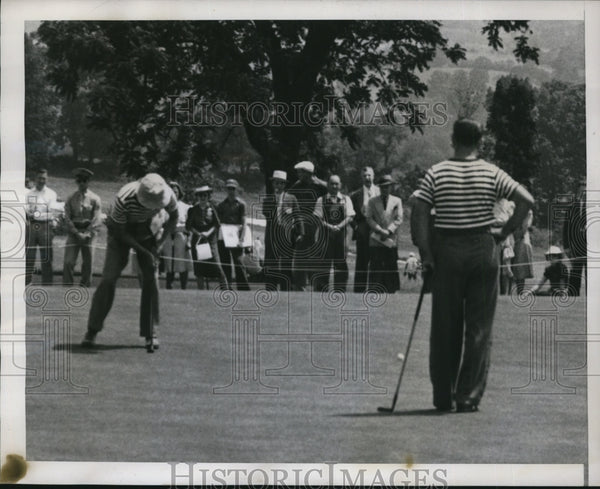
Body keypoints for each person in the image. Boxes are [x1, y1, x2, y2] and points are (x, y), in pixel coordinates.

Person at [412, 119, 534, 413]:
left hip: (448, 249)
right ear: (481, 142)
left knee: (445, 327)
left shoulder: (437, 172)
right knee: (479, 328)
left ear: (453, 139)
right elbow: (526, 199)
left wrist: (426, 254)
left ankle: (443, 395)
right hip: (483, 249)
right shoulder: (491, 172)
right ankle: (467, 397)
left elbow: (419, 210)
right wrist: (504, 232)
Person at [82, 173, 178, 353]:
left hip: (148, 230)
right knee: (108, 279)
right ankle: (92, 330)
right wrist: (143, 251)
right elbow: (120, 233)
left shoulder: (168, 194)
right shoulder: (123, 198)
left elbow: (174, 217)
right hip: (121, 233)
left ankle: (151, 332)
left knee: (151, 278)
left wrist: (159, 244)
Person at [287, 160, 327, 290]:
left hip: (318, 225)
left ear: (308, 173)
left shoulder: (322, 186)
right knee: (300, 257)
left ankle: (318, 286)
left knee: (317, 258)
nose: (298, 175)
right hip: (302, 226)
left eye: (300, 172)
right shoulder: (297, 186)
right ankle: (300, 286)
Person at [262, 170, 304, 291]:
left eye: (281, 183)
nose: (278, 186)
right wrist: (276, 201)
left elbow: (298, 215)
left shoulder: (291, 198)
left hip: (286, 235)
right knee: (271, 263)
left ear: (284, 185)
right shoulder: (268, 200)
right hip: (271, 236)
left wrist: (301, 232)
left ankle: (286, 289)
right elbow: (267, 214)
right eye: (276, 183)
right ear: (273, 184)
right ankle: (270, 289)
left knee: (286, 263)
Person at [313, 175, 355, 292]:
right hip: (325, 236)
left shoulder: (346, 199)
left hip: (341, 236)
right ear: (328, 185)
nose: (334, 186)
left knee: (340, 263)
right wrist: (330, 227)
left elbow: (350, 217)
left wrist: (338, 226)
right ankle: (321, 290)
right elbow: (318, 218)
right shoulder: (321, 200)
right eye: (332, 184)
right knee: (323, 264)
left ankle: (340, 290)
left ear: (340, 185)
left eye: (336, 184)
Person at [62, 168, 102, 287]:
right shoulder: (70, 198)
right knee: (68, 262)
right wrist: (76, 232)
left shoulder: (95, 199)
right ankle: (67, 287)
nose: (81, 183)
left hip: (89, 234)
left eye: (84, 180)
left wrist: (86, 233)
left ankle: (85, 287)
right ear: (76, 182)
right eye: (79, 181)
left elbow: (96, 218)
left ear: (88, 182)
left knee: (88, 263)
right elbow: (67, 217)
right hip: (74, 233)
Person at [186, 184, 228, 290]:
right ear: (197, 197)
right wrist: (198, 233)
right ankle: (201, 292)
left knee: (218, 267)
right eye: (200, 196)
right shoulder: (193, 210)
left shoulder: (213, 209)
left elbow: (217, 224)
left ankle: (225, 290)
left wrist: (208, 233)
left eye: (204, 195)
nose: (202, 198)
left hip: (211, 241)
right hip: (198, 241)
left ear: (208, 196)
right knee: (199, 269)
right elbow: (189, 226)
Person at [366, 174, 403, 293]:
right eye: (383, 187)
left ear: (391, 187)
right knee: (376, 264)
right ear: (379, 188)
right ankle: (375, 289)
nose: (385, 189)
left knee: (390, 264)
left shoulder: (397, 201)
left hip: (390, 239)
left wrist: (389, 230)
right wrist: (380, 230)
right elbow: (369, 218)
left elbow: (399, 218)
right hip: (376, 238)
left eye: (388, 187)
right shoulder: (372, 201)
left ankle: (391, 289)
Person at [350, 166, 380, 293]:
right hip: (362, 233)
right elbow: (350, 215)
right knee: (361, 263)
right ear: (361, 178)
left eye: (369, 175)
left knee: (377, 262)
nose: (367, 178)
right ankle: (359, 293)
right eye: (364, 176)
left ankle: (375, 291)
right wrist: (356, 227)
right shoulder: (355, 195)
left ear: (373, 176)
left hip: (378, 233)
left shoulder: (380, 192)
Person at [216, 179, 250, 291]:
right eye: (229, 188)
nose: (231, 191)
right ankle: (226, 287)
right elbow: (218, 222)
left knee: (238, 262)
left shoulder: (241, 204)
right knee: (225, 262)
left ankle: (243, 288)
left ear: (236, 189)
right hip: (224, 235)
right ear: (226, 189)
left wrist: (241, 239)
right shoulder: (221, 205)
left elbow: (244, 222)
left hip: (236, 235)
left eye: (233, 188)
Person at [26, 169, 58, 285]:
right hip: (31, 227)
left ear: (47, 179)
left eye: (43, 178)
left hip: (45, 227)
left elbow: (52, 214)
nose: (41, 180)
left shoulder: (51, 194)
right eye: (39, 178)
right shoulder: (29, 193)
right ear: (35, 179)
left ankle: (48, 285)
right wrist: (30, 214)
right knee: (29, 257)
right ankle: (26, 284)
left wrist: (36, 215)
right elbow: (27, 210)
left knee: (47, 258)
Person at [162, 182, 192, 289]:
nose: (174, 193)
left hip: (181, 236)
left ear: (179, 192)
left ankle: (184, 287)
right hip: (168, 237)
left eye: (176, 191)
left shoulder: (185, 207)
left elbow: (190, 226)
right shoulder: (164, 206)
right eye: (171, 191)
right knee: (169, 262)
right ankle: (169, 285)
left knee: (182, 263)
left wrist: (189, 240)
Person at [563, 177, 586, 296]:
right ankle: (573, 295)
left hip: (589, 247)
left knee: (591, 274)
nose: (583, 194)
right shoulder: (571, 208)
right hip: (575, 247)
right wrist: (566, 246)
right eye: (581, 191)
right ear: (577, 192)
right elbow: (565, 229)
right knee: (575, 272)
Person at [512, 209, 534, 294]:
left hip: (521, 240)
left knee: (520, 268)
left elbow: (525, 226)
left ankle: (519, 291)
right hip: (511, 238)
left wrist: (517, 237)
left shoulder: (527, 211)